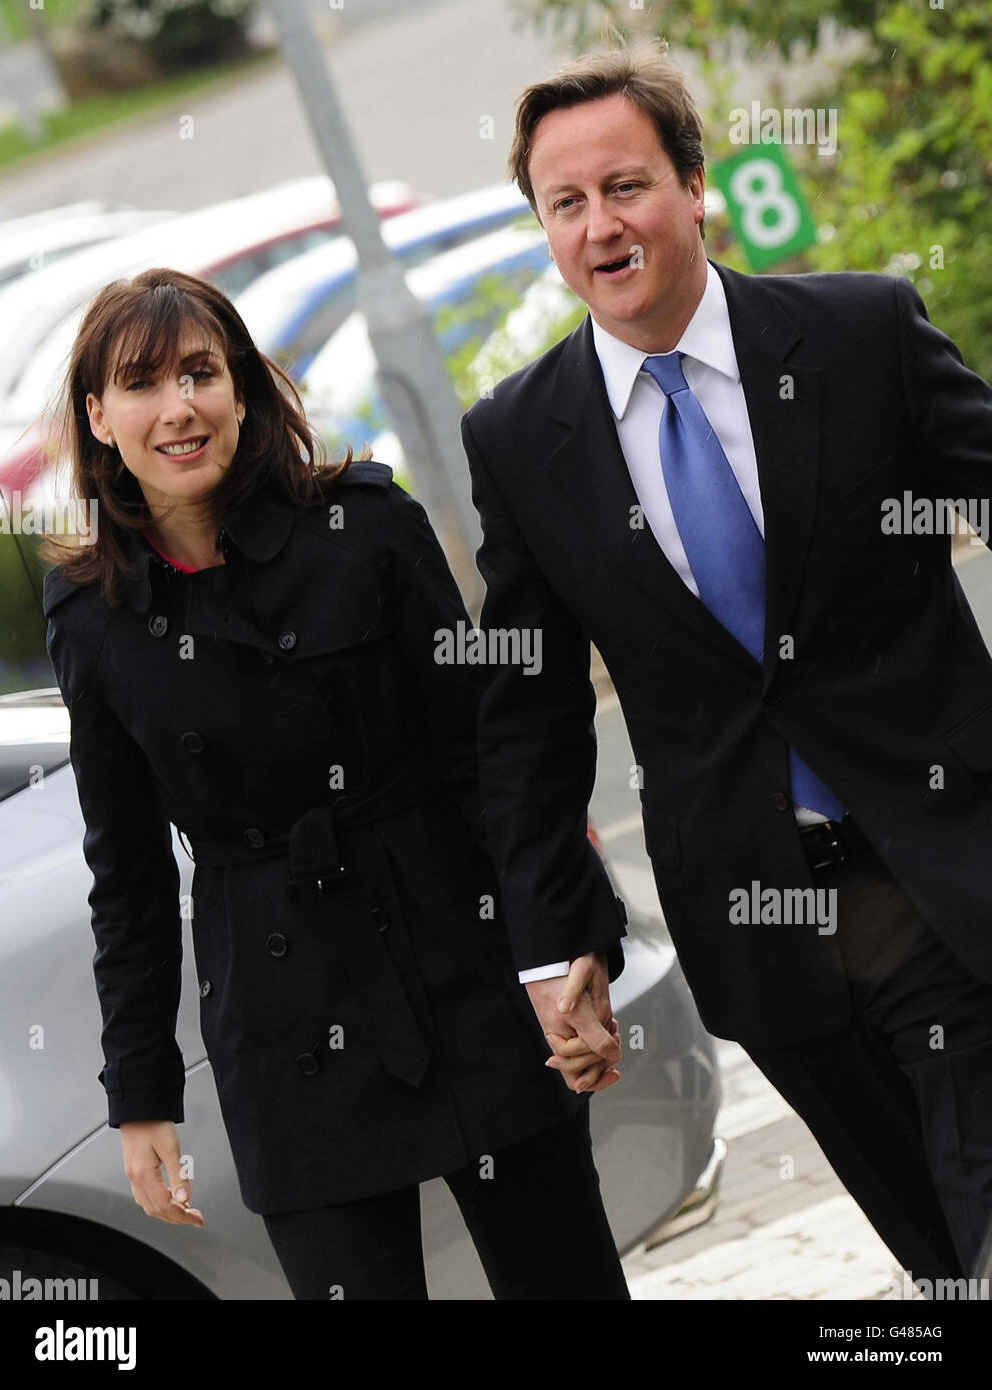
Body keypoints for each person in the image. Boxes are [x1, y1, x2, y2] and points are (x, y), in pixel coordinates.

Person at [461, 42, 992, 1286]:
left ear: (693, 186)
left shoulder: (859, 331)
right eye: (566, 203)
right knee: (931, 1242)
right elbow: (525, 717)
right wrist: (552, 944)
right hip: (760, 919)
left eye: (627, 186)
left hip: (943, 860)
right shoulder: (520, 439)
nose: (601, 225)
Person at [40, 265, 630, 1301]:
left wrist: (566, 943)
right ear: (98, 415)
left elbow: (484, 758)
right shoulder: (92, 616)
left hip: (458, 962)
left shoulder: (362, 523)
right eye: (140, 383)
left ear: (242, 389)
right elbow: (125, 874)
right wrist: (141, 1095)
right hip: (282, 1026)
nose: (177, 407)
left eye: (199, 373)